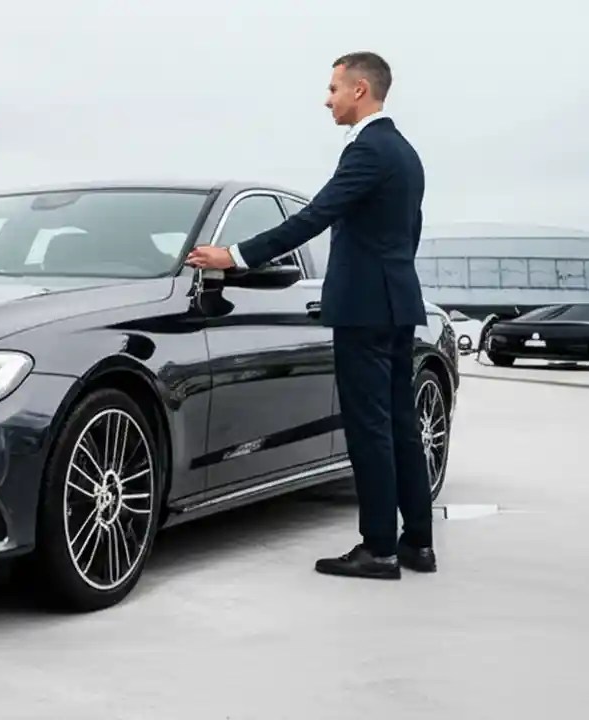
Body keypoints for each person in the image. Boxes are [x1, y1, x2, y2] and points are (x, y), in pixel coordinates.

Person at [185, 51, 437, 580]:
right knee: (400, 426)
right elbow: (406, 234)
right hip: (395, 304)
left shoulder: (367, 151)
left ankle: (378, 550)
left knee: (369, 430)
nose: (328, 99)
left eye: (333, 89)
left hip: (363, 309)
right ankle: (417, 545)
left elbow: (316, 216)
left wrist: (235, 256)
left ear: (361, 90)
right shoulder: (406, 153)